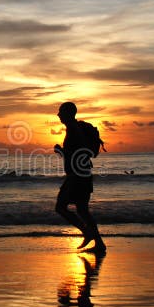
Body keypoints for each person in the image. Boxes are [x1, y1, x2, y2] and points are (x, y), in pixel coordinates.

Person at [54, 102, 106, 252]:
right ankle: (99, 244)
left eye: (61, 112)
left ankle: (87, 232)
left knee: (60, 207)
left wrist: (60, 151)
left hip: (76, 176)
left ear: (68, 113)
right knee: (82, 210)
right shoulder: (76, 128)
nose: (58, 115)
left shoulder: (73, 129)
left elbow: (74, 154)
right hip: (83, 175)